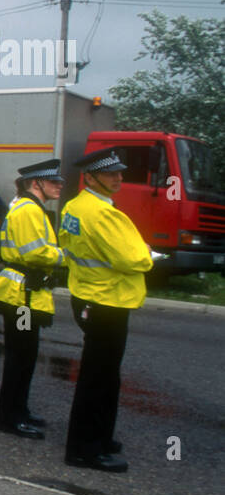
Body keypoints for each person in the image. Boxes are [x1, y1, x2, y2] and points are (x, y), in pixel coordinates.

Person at [58, 148, 153, 472]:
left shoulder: (75, 206)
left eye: (119, 172)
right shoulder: (102, 213)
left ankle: (99, 437)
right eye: (112, 173)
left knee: (102, 376)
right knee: (99, 378)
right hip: (107, 301)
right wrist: (148, 254)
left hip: (88, 295)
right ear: (92, 177)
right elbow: (132, 258)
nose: (119, 178)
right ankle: (85, 450)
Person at [0, 159, 64, 439]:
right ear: (35, 184)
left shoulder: (26, 206)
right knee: (21, 357)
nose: (59, 185)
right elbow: (35, 253)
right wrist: (64, 256)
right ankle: (10, 418)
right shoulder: (29, 209)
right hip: (21, 298)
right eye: (53, 181)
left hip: (22, 294)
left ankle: (20, 411)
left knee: (25, 356)